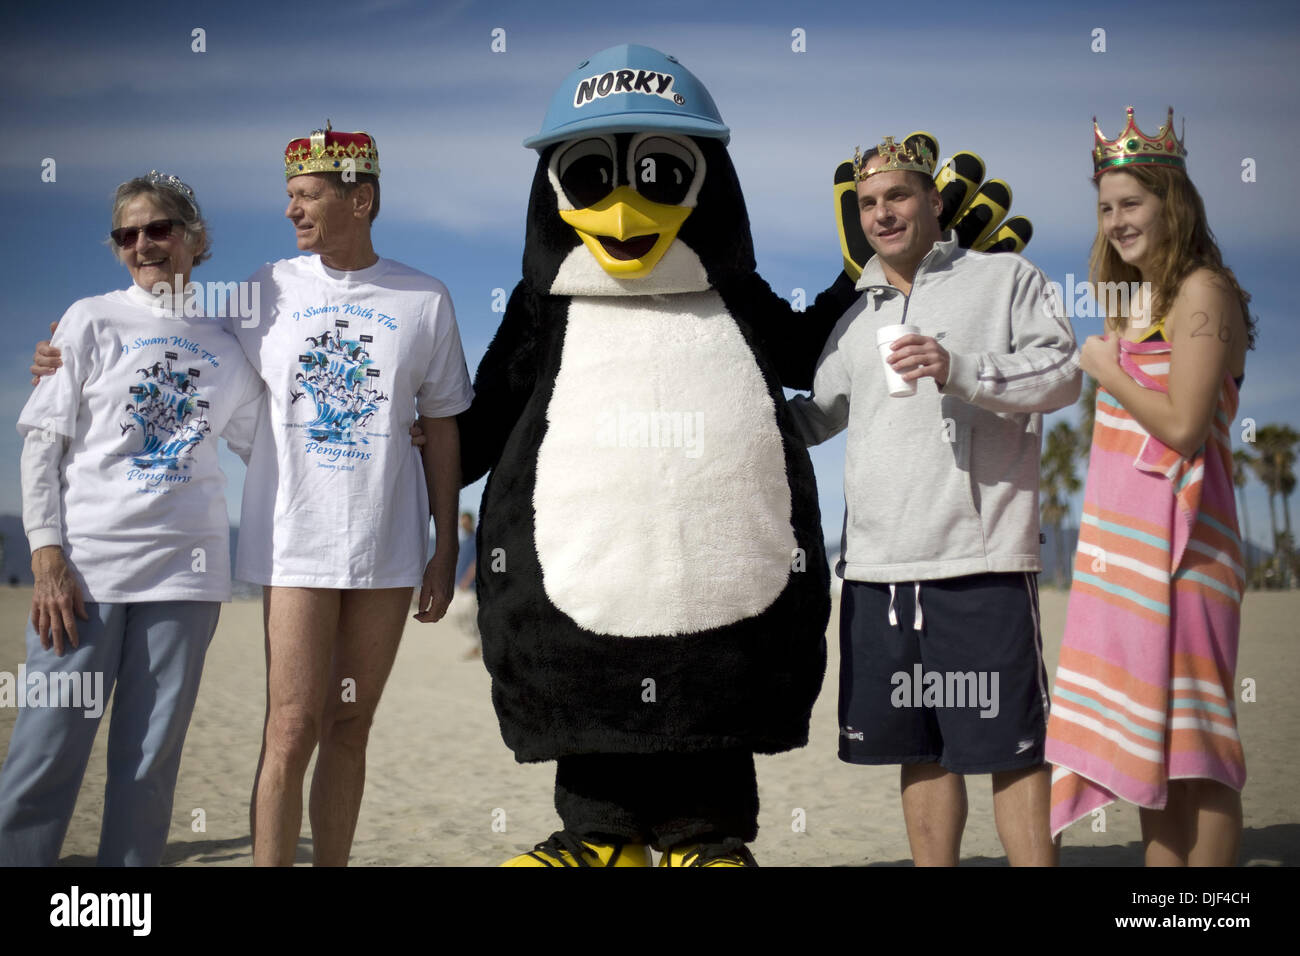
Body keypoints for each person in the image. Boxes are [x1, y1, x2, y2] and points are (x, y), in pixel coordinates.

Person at [31, 127, 474, 866]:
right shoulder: (263, 290)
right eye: (289, 198)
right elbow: (175, 324)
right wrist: (70, 344)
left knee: (351, 725)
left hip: (387, 545)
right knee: (291, 727)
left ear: (359, 199)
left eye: (308, 197)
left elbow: (443, 423)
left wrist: (446, 545)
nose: (293, 212)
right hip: (293, 537)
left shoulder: (424, 299)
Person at [787, 135, 1080, 866]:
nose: (882, 214)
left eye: (897, 196)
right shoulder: (855, 315)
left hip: (978, 560)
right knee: (917, 749)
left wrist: (961, 368)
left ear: (934, 202)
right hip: (877, 570)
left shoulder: (1004, 277)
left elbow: (1064, 373)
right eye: (867, 203)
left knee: (1010, 746)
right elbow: (815, 418)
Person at [0, 172, 265, 865]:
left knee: (148, 766)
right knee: (45, 751)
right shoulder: (87, 319)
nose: (143, 245)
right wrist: (46, 556)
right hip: (84, 574)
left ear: (194, 238)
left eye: (159, 229)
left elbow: (267, 447)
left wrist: (396, 443)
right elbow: (43, 442)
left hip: (188, 575)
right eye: (128, 235)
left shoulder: (229, 345)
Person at [1045, 107, 1251, 865]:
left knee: (1200, 750)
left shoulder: (1203, 290)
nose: (1117, 220)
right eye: (1105, 207)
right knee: (1151, 756)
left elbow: (1185, 426)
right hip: (1128, 561)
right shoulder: (1132, 303)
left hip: (1190, 550)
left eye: (1131, 202)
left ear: (1173, 201)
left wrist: (1103, 370)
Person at [446, 511, 480, 658]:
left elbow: (477, 561)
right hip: (457, 585)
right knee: (454, 614)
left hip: (470, 586)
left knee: (470, 617)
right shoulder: (464, 541)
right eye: (461, 522)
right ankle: (476, 644)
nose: (463, 524)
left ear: (471, 522)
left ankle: (475, 647)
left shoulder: (476, 539)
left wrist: (467, 579)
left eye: (465, 521)